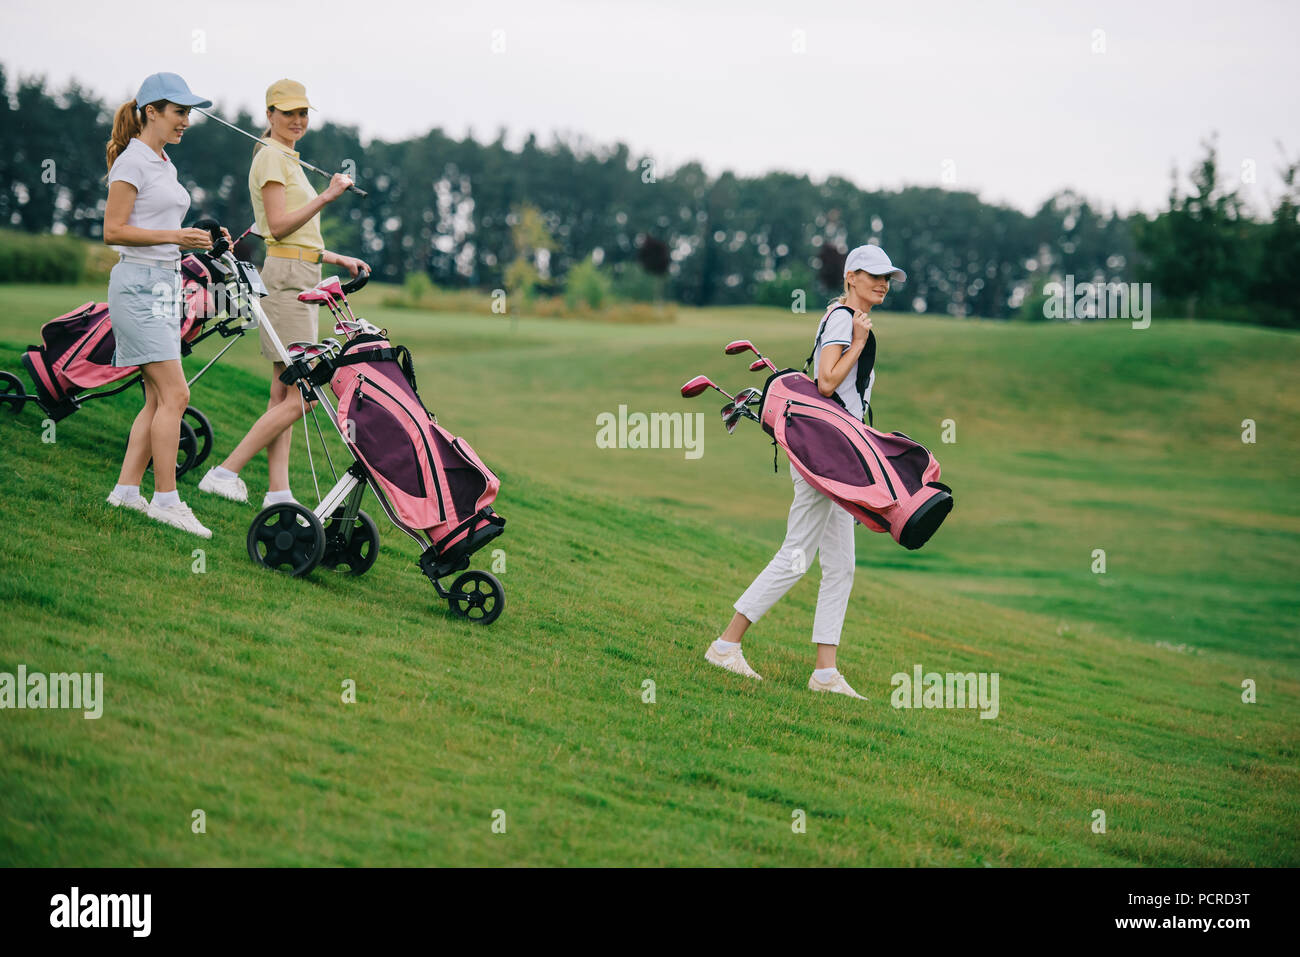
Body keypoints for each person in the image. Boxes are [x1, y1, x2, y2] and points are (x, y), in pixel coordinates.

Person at [703, 244, 907, 699]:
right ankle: (725, 645)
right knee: (797, 555)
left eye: (888, 277)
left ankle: (825, 673)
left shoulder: (847, 316)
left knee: (841, 565)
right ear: (850, 276)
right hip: (825, 456)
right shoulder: (842, 320)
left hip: (838, 455)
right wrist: (856, 342)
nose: (883, 283)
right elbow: (827, 382)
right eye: (873, 275)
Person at [198, 79, 368, 508]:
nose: (297, 120)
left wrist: (336, 258)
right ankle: (224, 472)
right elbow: (276, 228)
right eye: (288, 113)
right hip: (288, 280)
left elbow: (299, 236)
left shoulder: (287, 159)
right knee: (305, 394)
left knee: (283, 392)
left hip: (300, 271)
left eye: (303, 113)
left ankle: (278, 492)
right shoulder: (272, 158)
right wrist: (328, 196)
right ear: (270, 114)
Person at [103, 72, 227, 538]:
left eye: (189, 113)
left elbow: (159, 231)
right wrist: (177, 236)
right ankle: (167, 501)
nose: (187, 121)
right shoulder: (132, 162)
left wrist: (200, 240)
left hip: (162, 284)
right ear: (151, 111)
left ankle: (126, 492)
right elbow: (114, 230)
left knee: (158, 397)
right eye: (179, 112)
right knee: (176, 394)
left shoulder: (162, 163)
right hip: (137, 287)